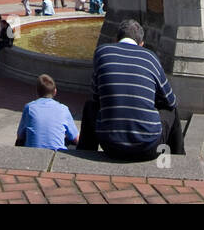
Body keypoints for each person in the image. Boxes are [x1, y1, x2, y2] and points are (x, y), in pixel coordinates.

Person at [78, 19, 185, 160]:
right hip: (148, 148)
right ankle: (179, 160)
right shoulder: (150, 57)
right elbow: (171, 101)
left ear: (116, 39)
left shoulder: (102, 52)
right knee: (172, 111)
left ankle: (84, 152)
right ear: (141, 44)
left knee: (90, 106)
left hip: (110, 145)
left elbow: (96, 95)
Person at [16, 74, 79, 150]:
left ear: (37, 92)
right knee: (70, 141)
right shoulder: (64, 109)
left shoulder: (29, 108)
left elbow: (20, 136)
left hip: (32, 153)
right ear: (55, 91)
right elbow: (76, 139)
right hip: (57, 153)